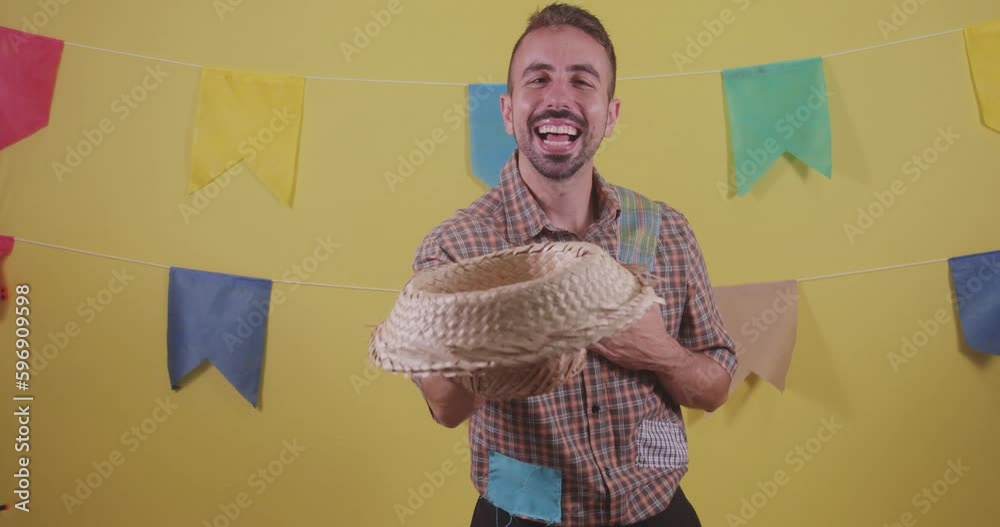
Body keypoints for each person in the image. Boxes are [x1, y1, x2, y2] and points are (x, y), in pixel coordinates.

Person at [410, 4, 737, 526]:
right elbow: (444, 410)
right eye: (537, 79)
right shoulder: (455, 251)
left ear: (610, 114)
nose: (558, 98)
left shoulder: (666, 231)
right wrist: (502, 335)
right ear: (507, 110)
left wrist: (661, 354)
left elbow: (715, 389)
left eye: (583, 82)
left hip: (656, 509)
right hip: (523, 516)